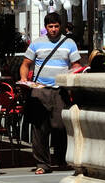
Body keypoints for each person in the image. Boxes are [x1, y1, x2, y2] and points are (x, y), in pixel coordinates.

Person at [19, 12, 81, 173]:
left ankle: (61, 160)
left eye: (56, 26)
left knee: (61, 126)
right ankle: (42, 164)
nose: (53, 29)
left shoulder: (69, 43)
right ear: (45, 27)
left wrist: (73, 78)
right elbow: (26, 63)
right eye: (50, 26)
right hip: (39, 90)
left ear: (60, 27)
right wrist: (24, 80)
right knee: (40, 129)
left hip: (60, 91)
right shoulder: (37, 44)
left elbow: (76, 65)